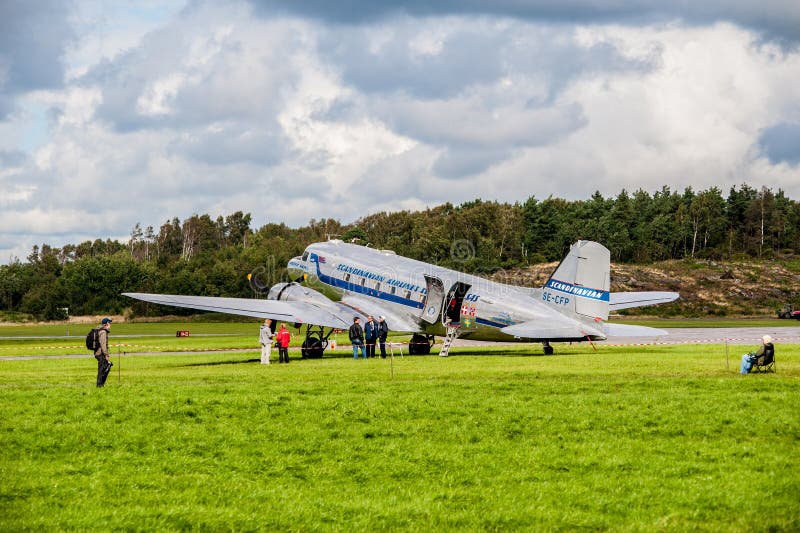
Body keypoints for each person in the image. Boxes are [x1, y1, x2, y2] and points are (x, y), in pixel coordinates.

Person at [94, 317, 113, 387]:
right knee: (101, 370)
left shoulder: (101, 331)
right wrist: (106, 355)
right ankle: (99, 386)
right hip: (101, 353)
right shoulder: (103, 332)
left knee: (104, 369)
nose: (110, 324)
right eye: (109, 323)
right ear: (106, 324)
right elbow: (103, 345)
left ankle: (101, 384)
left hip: (99, 353)